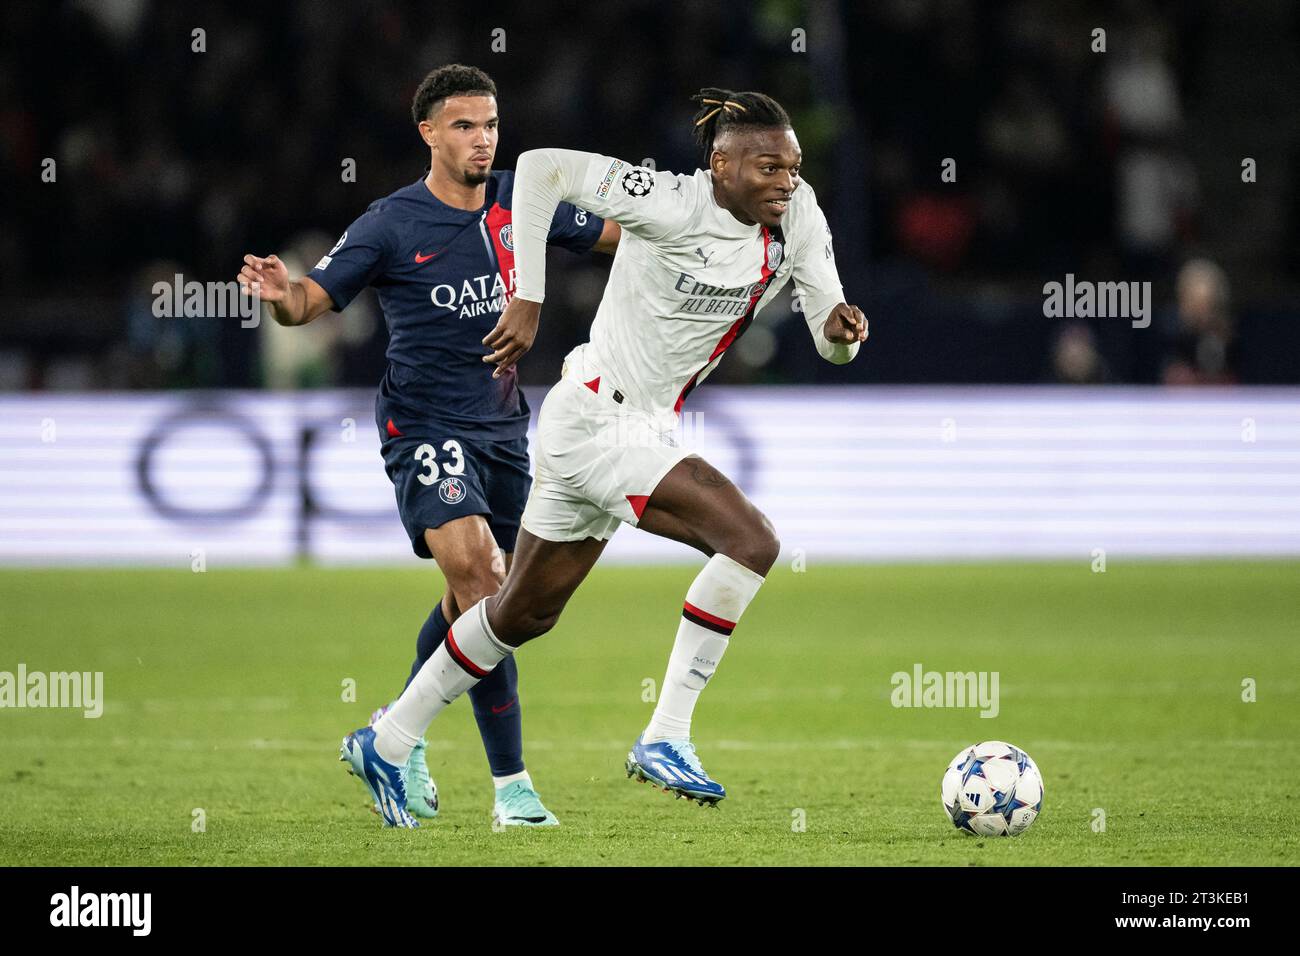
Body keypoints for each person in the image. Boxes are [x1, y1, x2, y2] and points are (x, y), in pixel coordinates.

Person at [344, 87, 866, 827]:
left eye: (794, 166)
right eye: (768, 167)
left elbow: (828, 336)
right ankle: (666, 734)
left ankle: (388, 739)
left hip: (627, 427)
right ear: (721, 164)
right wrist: (527, 293)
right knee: (751, 542)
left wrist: (843, 332)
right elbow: (540, 169)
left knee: (519, 613)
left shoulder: (800, 217)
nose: (786, 180)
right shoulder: (669, 201)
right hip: (599, 420)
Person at [238, 64, 619, 829]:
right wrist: (286, 300)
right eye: (463, 126)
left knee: (492, 604)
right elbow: (313, 298)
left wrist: (692, 230)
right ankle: (513, 791)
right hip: (423, 427)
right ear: (428, 133)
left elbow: (617, 236)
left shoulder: (525, 196)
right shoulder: (389, 223)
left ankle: (393, 734)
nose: (482, 140)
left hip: (506, 428)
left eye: (490, 125)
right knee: (482, 584)